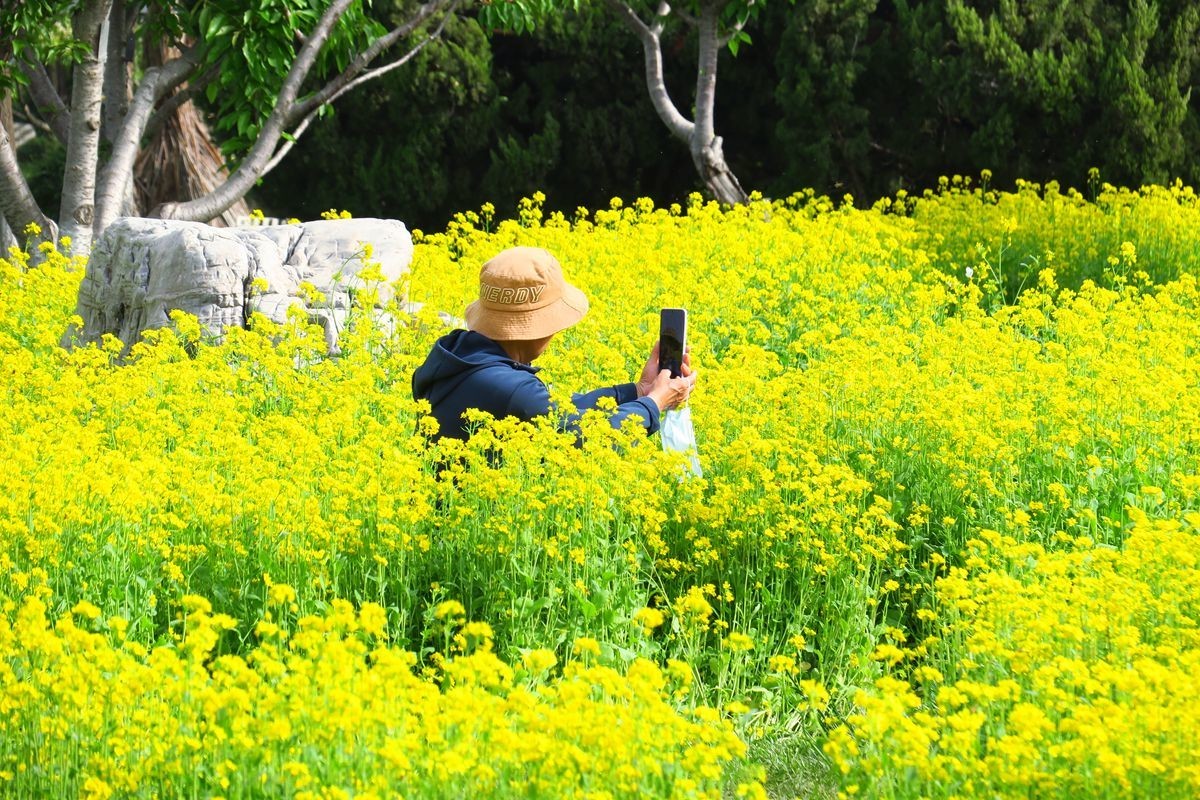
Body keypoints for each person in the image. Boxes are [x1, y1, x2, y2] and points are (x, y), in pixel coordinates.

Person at [412, 246, 696, 443]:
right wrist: (655, 403)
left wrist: (639, 390)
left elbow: (556, 411)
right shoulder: (510, 388)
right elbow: (589, 437)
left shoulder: (459, 354)